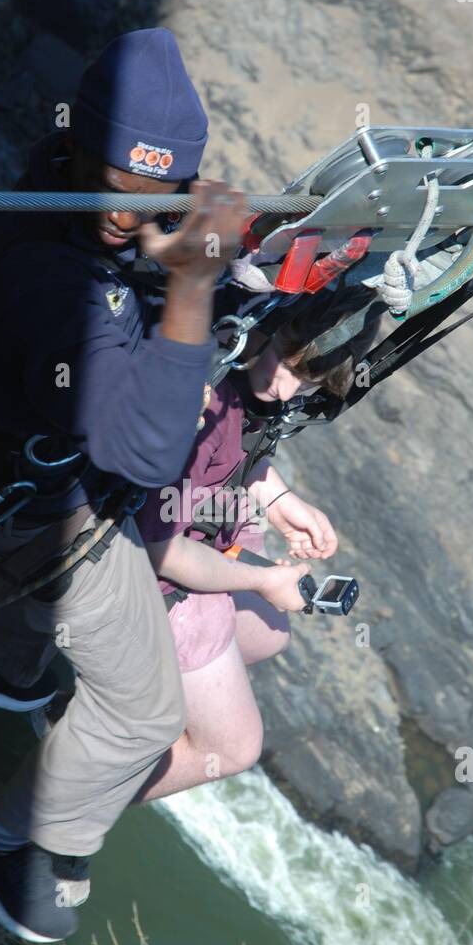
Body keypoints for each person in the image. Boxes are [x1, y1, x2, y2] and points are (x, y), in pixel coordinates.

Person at [0, 27, 247, 943]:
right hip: (56, 522)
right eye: (112, 185)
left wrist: (179, 259)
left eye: (154, 194)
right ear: (79, 150)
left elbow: (115, 251)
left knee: (20, 614)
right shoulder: (53, 283)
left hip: (5, 481)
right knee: (146, 711)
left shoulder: (55, 184)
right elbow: (144, 453)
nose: (123, 213)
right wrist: (191, 287)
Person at [132, 302, 358, 802]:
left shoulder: (248, 392)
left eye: (308, 384)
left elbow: (243, 456)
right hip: (150, 579)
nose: (286, 393)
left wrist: (282, 504)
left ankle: (125, 712)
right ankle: (68, 815)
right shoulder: (205, 407)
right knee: (235, 748)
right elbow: (159, 552)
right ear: (261, 335)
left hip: (198, 547)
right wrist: (262, 581)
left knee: (270, 634)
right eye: (288, 366)